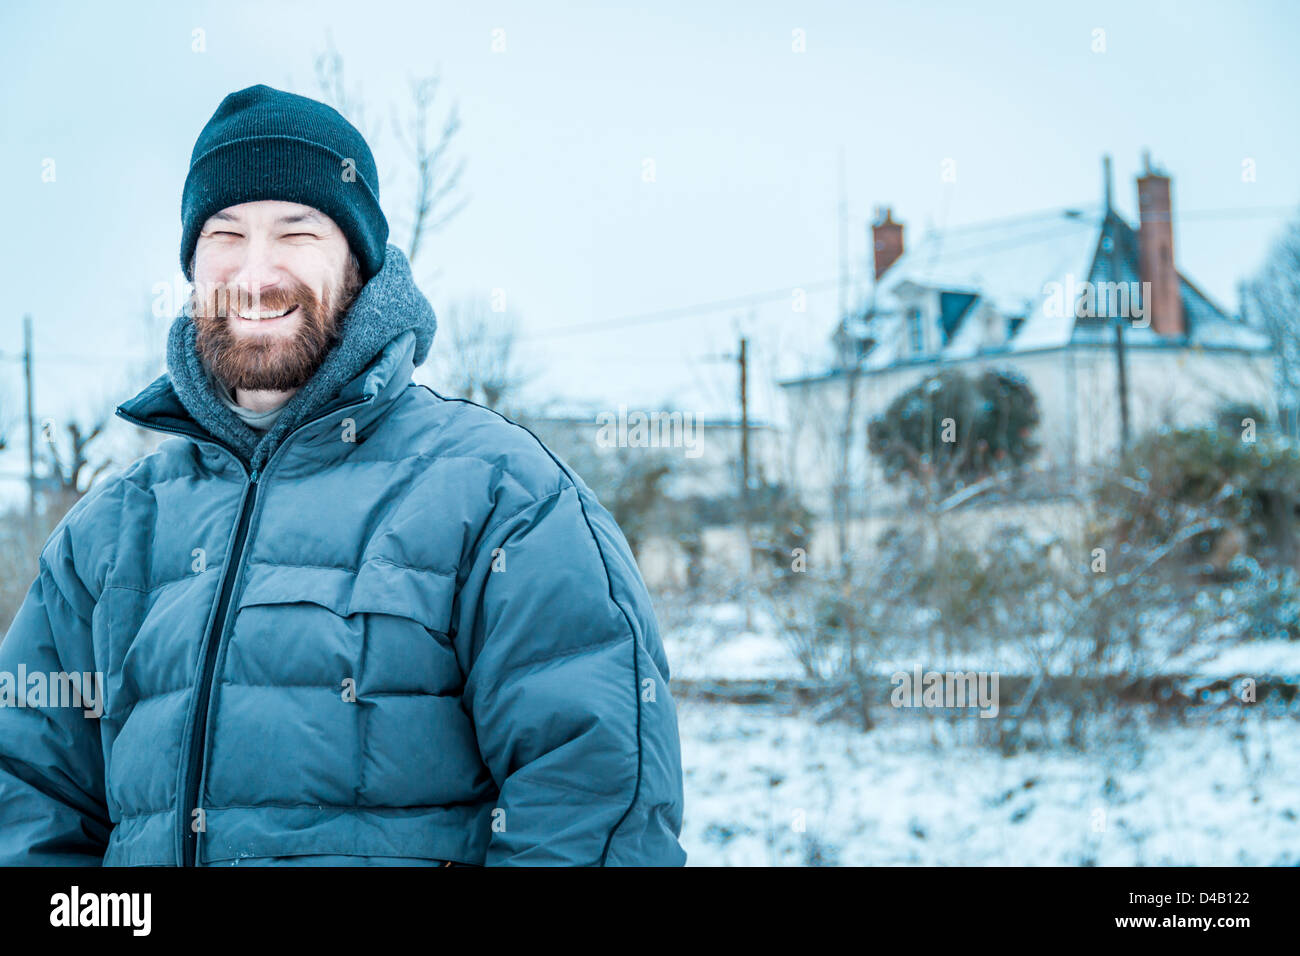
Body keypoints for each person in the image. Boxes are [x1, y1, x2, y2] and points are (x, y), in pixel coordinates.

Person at [0, 84, 686, 866]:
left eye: (297, 232)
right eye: (225, 233)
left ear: (357, 263)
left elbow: (593, 806)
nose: (256, 273)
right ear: (192, 263)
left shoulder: (503, 497)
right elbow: (29, 808)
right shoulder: (107, 536)